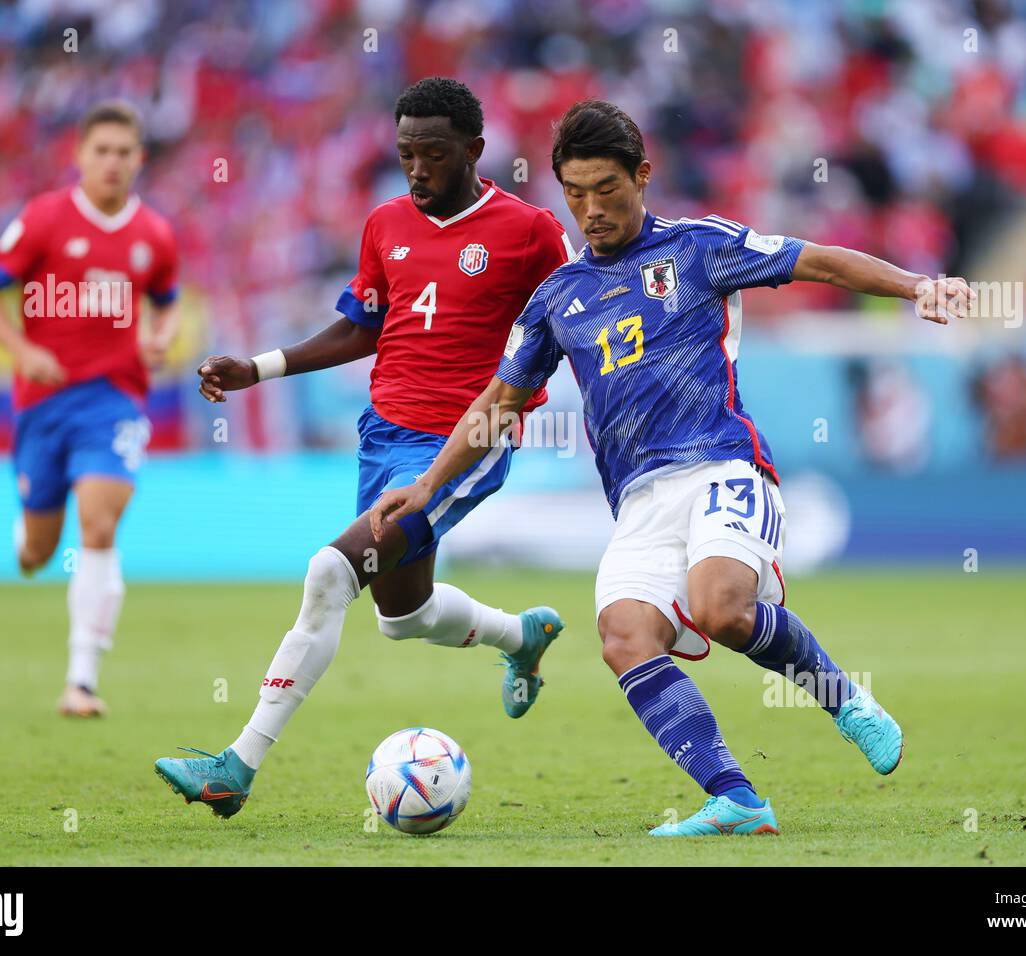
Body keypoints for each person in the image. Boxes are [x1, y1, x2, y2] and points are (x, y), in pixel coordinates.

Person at [372, 100, 974, 837]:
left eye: (607, 190)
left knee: (721, 608)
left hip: (723, 468)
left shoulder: (698, 247)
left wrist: (919, 286)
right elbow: (500, 401)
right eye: (575, 194)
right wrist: (429, 487)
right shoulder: (557, 299)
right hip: (638, 504)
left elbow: (815, 259)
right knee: (624, 637)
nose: (591, 210)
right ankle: (738, 801)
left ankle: (845, 698)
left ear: (643, 176)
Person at [154, 78, 573, 818]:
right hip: (385, 435)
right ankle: (522, 636)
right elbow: (364, 327)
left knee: (328, 573)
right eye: (407, 152)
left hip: (464, 438)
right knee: (400, 615)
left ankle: (236, 766)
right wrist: (259, 368)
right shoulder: (385, 224)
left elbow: (578, 321)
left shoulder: (531, 231)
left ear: (475, 152)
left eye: (434, 155)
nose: (417, 169)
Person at [0, 100, 180, 717]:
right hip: (42, 404)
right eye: (101, 151)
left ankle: (80, 680)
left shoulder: (154, 235)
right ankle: (31, 531)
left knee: (99, 525)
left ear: (139, 159)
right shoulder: (42, 220)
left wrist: (160, 335)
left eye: (124, 153)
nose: (112, 163)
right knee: (37, 552)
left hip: (113, 398)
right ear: (80, 156)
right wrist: (21, 349)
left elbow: (166, 297)